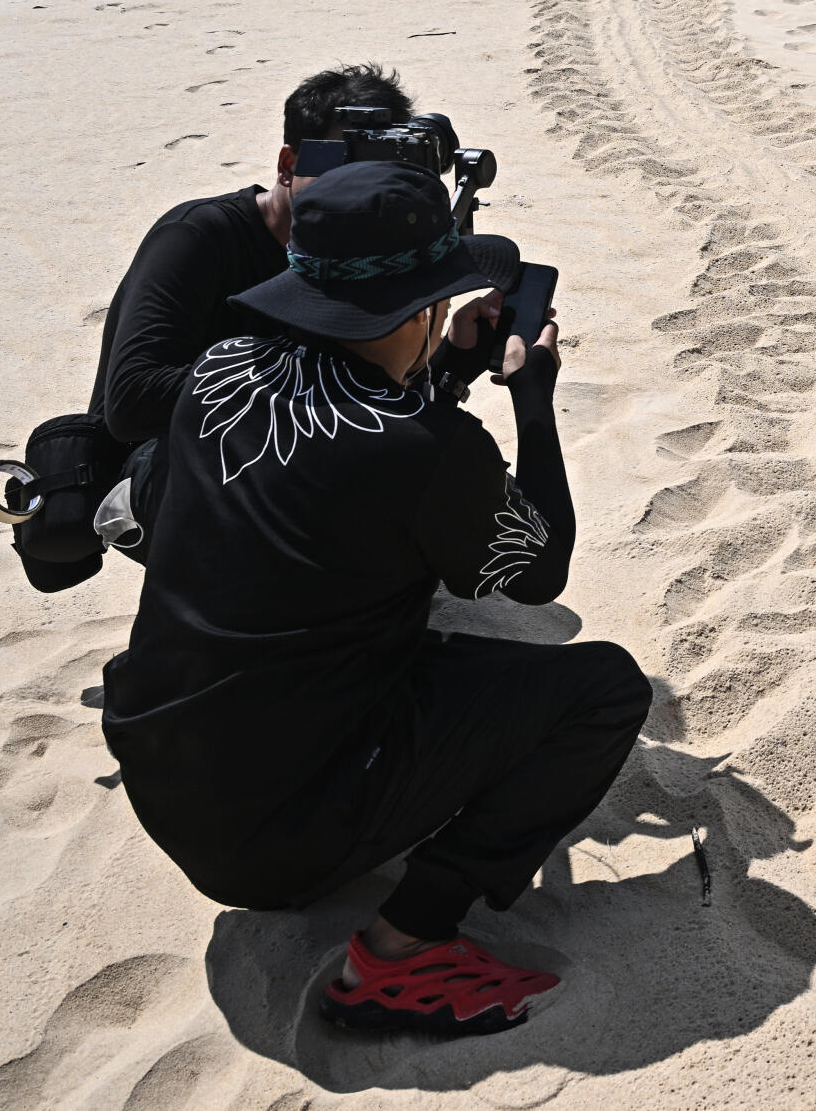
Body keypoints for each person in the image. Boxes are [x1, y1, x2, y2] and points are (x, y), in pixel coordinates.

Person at [99, 161, 652, 1038]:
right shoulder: (426, 449)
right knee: (604, 690)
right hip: (275, 841)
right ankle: (404, 950)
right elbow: (540, 571)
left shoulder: (217, 371)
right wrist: (534, 404)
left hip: (166, 772)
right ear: (429, 301)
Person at [89, 63, 416, 447]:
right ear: (288, 166)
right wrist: (302, 373)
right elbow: (131, 403)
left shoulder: (369, 250)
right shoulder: (197, 237)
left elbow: (392, 391)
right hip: (162, 474)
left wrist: (456, 358)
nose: (358, 198)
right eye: (341, 173)